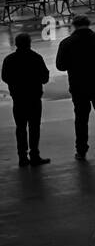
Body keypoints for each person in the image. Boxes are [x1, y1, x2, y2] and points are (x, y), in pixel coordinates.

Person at [55, 14, 95, 160]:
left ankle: (81, 150)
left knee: (81, 119)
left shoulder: (66, 43)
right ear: (89, 24)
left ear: (74, 25)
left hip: (78, 87)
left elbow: (60, 66)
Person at [2, 32, 50, 166]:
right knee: (34, 127)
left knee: (20, 128)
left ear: (16, 44)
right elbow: (45, 78)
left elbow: (5, 77)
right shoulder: (36, 58)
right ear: (29, 43)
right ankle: (34, 154)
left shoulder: (9, 59)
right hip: (34, 98)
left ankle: (22, 156)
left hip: (18, 98)